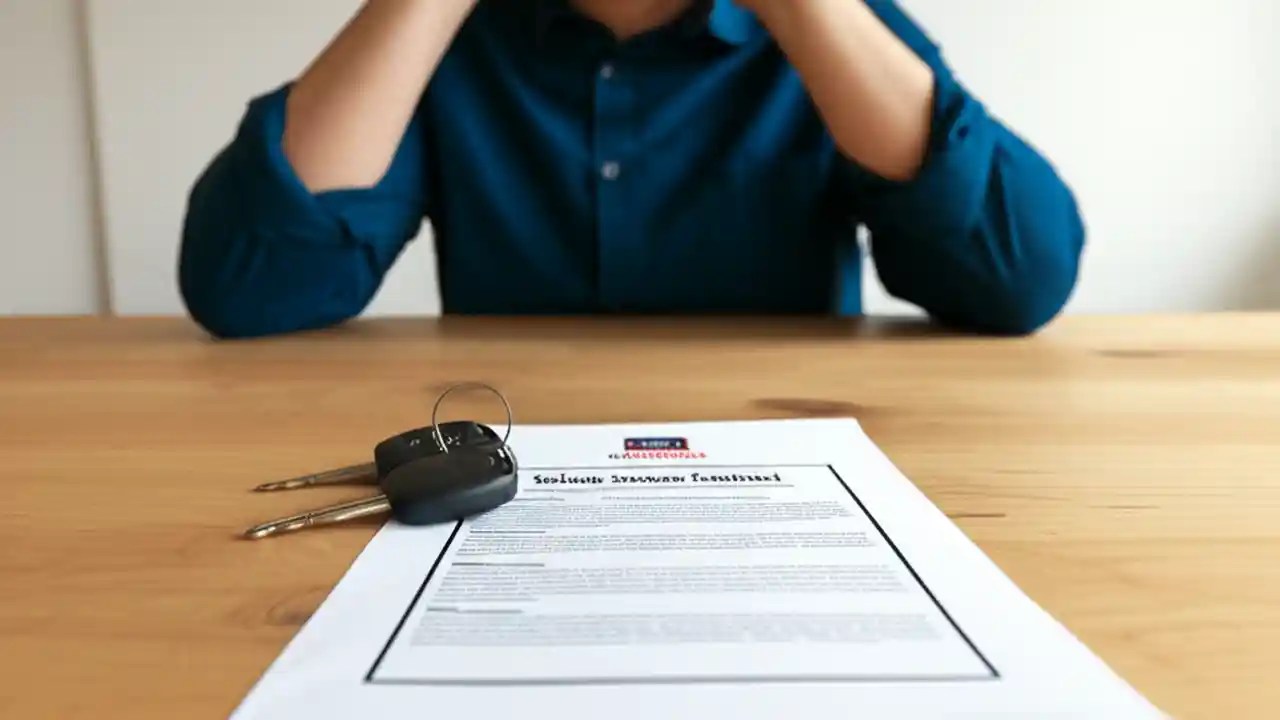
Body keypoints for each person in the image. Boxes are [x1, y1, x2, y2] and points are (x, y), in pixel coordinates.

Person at [179, 0, 1084, 339]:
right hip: (506, 488)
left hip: (787, 481)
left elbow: (1019, 279)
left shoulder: (834, 29)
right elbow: (252, 287)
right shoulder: (454, 38)